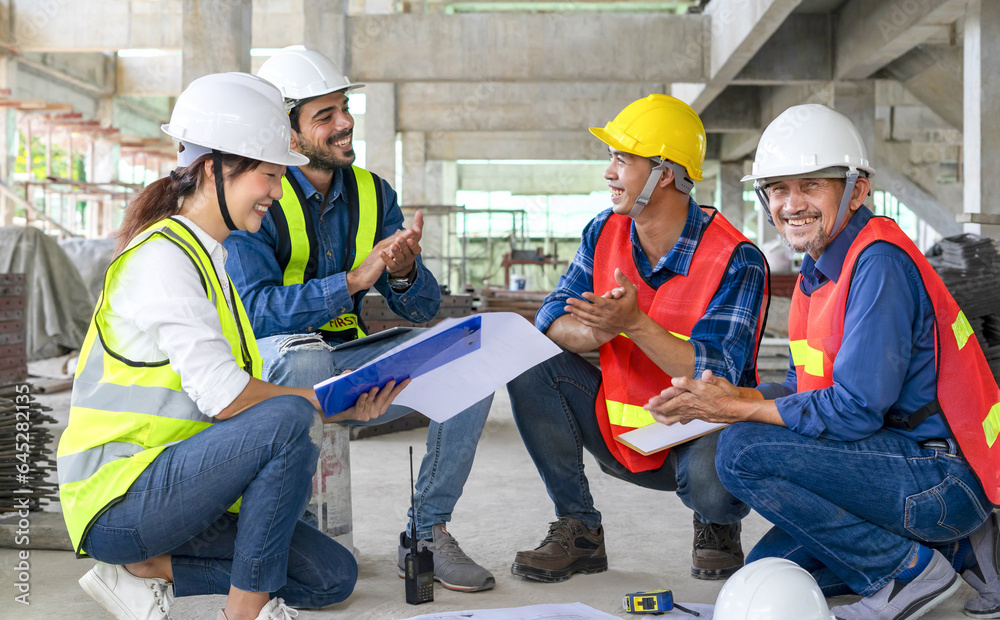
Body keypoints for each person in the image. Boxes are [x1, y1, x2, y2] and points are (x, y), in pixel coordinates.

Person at [57, 73, 406, 620]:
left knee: (331, 578)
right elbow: (226, 397)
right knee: (290, 412)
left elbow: (231, 402)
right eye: (268, 175)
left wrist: (335, 405)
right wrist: (320, 401)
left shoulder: (213, 258)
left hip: (182, 488)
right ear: (216, 169)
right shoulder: (164, 259)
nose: (276, 191)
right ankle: (243, 612)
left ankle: (147, 568)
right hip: (121, 498)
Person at [645, 103, 1000, 620]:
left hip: (939, 477)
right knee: (769, 572)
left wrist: (739, 414)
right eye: (778, 189)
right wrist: (723, 397)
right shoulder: (821, 269)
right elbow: (801, 388)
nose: (792, 204)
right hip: (897, 461)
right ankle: (958, 549)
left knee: (742, 450)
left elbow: (854, 410)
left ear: (856, 190)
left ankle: (906, 573)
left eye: (811, 186)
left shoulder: (877, 264)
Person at [223, 46, 495, 592]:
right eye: (324, 116)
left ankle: (426, 532)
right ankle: (284, 532)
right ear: (288, 131)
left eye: (344, 108)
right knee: (305, 355)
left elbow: (419, 309)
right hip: (271, 375)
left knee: (473, 354)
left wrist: (402, 271)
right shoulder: (255, 196)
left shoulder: (374, 193)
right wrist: (350, 282)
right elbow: (256, 313)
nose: (345, 123)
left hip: (348, 367)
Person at [506, 94, 770, 583]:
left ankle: (716, 524)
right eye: (612, 157)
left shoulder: (735, 257)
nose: (609, 172)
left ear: (664, 174)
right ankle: (579, 527)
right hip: (620, 428)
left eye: (623, 159)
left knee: (716, 481)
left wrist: (634, 324)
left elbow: (718, 371)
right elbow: (549, 317)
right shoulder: (601, 232)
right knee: (527, 361)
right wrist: (591, 329)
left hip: (698, 435)